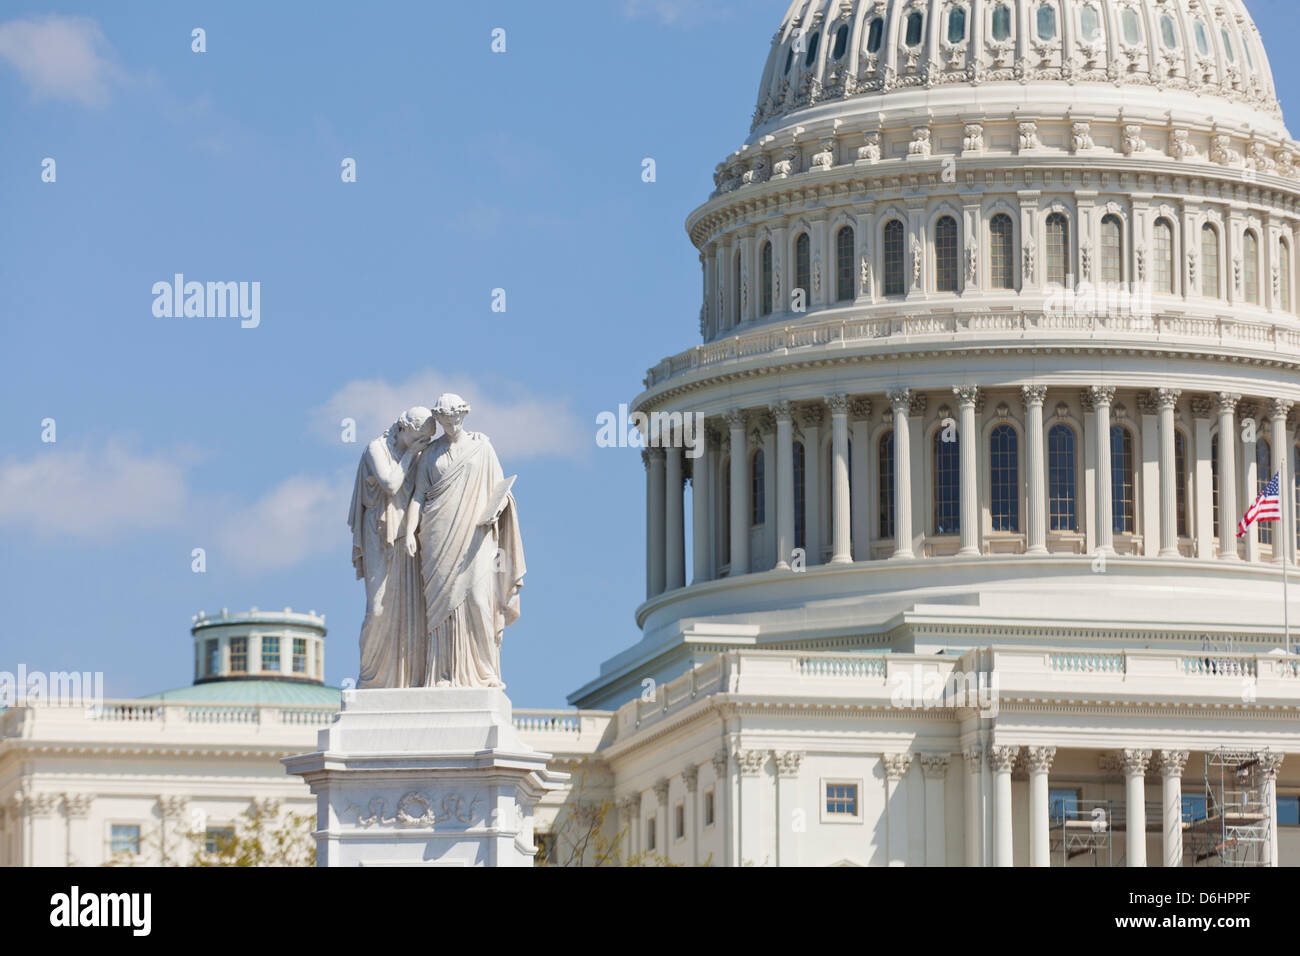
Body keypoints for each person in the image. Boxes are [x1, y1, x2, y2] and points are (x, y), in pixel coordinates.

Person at [404, 393, 525, 687]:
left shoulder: (482, 447)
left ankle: (483, 672)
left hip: (476, 535)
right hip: (436, 534)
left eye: (456, 416)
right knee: (440, 606)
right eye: (445, 418)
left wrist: (499, 508)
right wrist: (409, 531)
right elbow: (419, 495)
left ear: (464, 415)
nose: (452, 422)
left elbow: (501, 490)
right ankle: (442, 674)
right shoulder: (430, 454)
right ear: (439, 419)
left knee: (480, 601)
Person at [348, 406, 433, 688]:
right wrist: (411, 453)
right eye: (420, 438)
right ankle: (370, 676)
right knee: (378, 607)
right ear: (404, 429)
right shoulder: (376, 448)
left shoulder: (418, 455)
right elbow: (390, 483)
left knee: (410, 609)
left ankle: (405, 679)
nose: (424, 445)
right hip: (379, 530)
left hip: (407, 534)